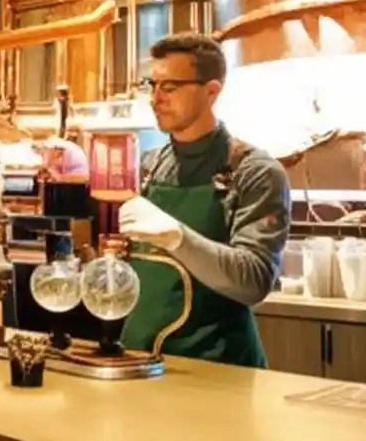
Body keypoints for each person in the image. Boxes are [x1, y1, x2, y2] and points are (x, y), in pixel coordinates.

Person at [117, 32, 290, 368]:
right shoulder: (151, 166)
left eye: (169, 87)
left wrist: (178, 237)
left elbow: (254, 280)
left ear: (212, 91)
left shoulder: (253, 172)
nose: (156, 98)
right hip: (141, 361)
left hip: (218, 367)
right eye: (151, 85)